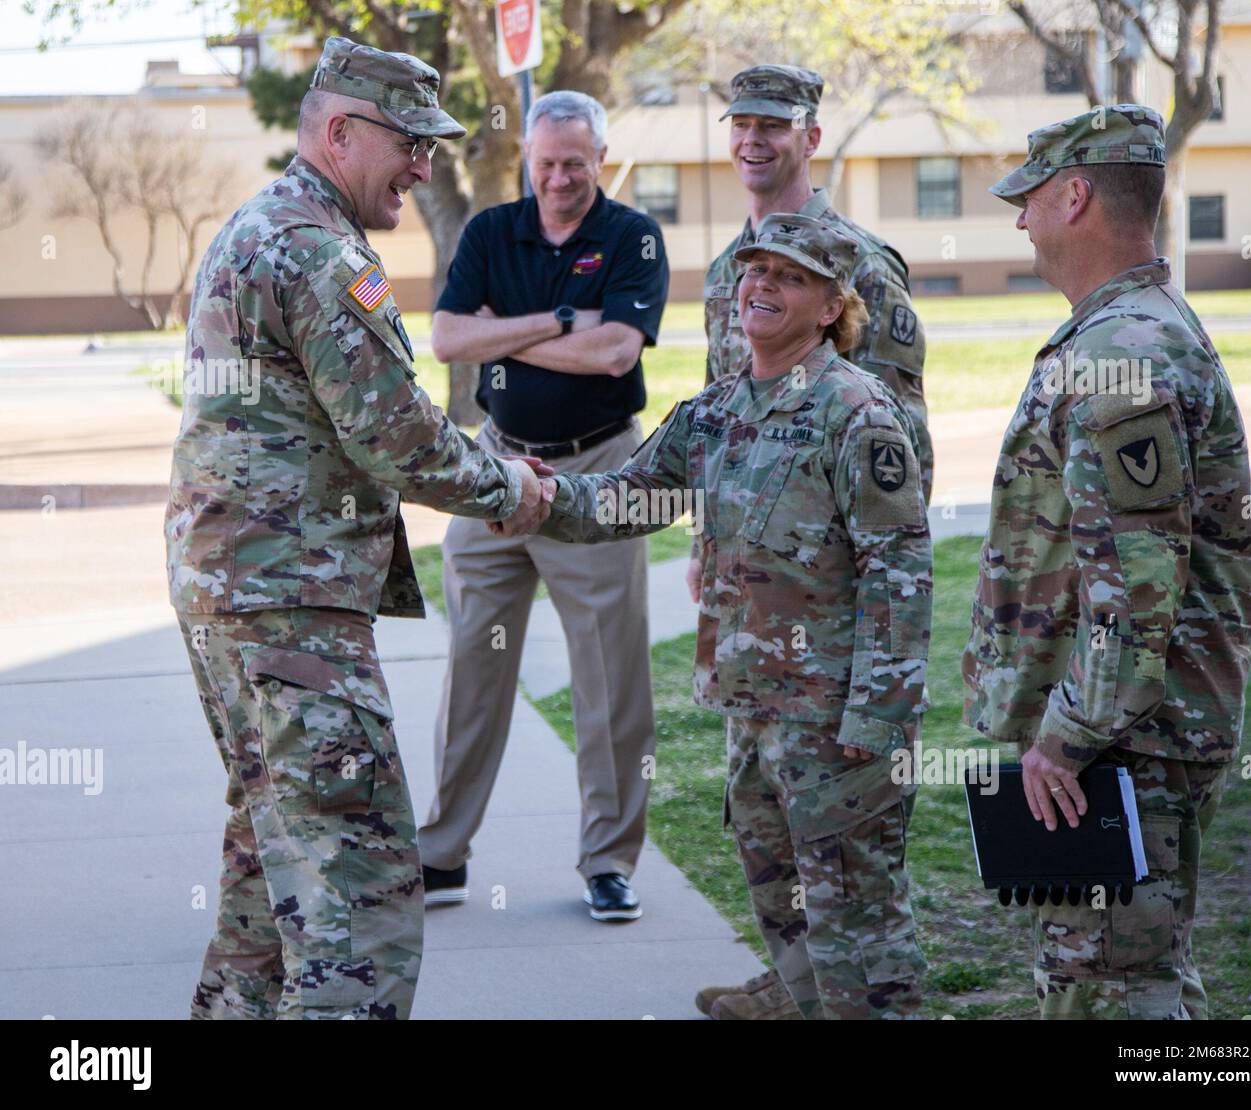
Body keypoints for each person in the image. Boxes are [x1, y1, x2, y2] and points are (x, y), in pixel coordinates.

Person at [165, 36, 553, 1020]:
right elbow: (403, 441)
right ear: (340, 132)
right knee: (361, 895)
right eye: (410, 141)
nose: (424, 165)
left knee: (268, 866)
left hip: (234, 596)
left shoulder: (259, 226)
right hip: (288, 609)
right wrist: (513, 486)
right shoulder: (318, 250)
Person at [523, 213, 932, 1018]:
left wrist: (877, 718)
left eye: (788, 276)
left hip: (835, 723)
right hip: (751, 709)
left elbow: (902, 573)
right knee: (781, 903)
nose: (761, 286)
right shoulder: (717, 412)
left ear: (829, 307)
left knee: (859, 924)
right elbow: (625, 498)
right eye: (754, 271)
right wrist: (529, 493)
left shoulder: (856, 413)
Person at [962, 105, 1251, 1019]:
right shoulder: (1131, 331)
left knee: (1116, 993)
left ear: (1077, 195)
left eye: (1031, 200)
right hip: (1125, 734)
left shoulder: (1120, 354)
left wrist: (1068, 736)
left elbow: (1135, 592)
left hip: (1121, 745)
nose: (1020, 220)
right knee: (1129, 977)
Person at [692, 62, 932, 1022]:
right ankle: (798, 986)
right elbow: (722, 430)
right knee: (763, 821)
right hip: (751, 617)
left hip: (830, 630)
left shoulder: (862, 265)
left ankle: (847, 989)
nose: (753, 140)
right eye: (739, 123)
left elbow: (899, 457)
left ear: (811, 137)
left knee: (844, 852)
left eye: (773, 125)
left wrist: (879, 664)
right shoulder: (727, 272)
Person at [421, 90, 668, 921]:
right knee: (471, 670)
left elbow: (614, 353)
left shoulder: (632, 235)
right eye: (545, 163)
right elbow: (449, 338)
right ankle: (443, 854)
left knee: (610, 680)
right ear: (528, 158)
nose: (559, 178)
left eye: (574, 162)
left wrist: (511, 329)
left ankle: (608, 862)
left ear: (601, 157)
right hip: (494, 469)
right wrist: (561, 318)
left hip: (596, 474)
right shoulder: (492, 231)